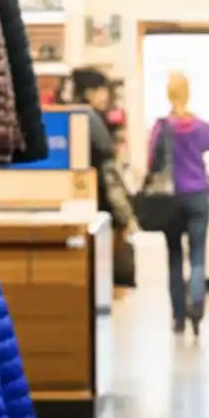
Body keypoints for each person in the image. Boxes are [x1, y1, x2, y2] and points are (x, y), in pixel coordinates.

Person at [150, 72, 209, 336]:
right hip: (199, 195)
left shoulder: (162, 127)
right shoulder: (202, 126)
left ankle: (178, 317)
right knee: (198, 254)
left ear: (169, 94)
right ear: (188, 93)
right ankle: (197, 309)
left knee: (175, 256)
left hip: (171, 199)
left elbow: (151, 162)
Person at [64, 69, 136, 284]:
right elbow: (107, 158)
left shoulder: (75, 115)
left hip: (86, 194)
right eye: (100, 90)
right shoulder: (89, 117)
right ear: (87, 92)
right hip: (98, 194)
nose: (105, 96)